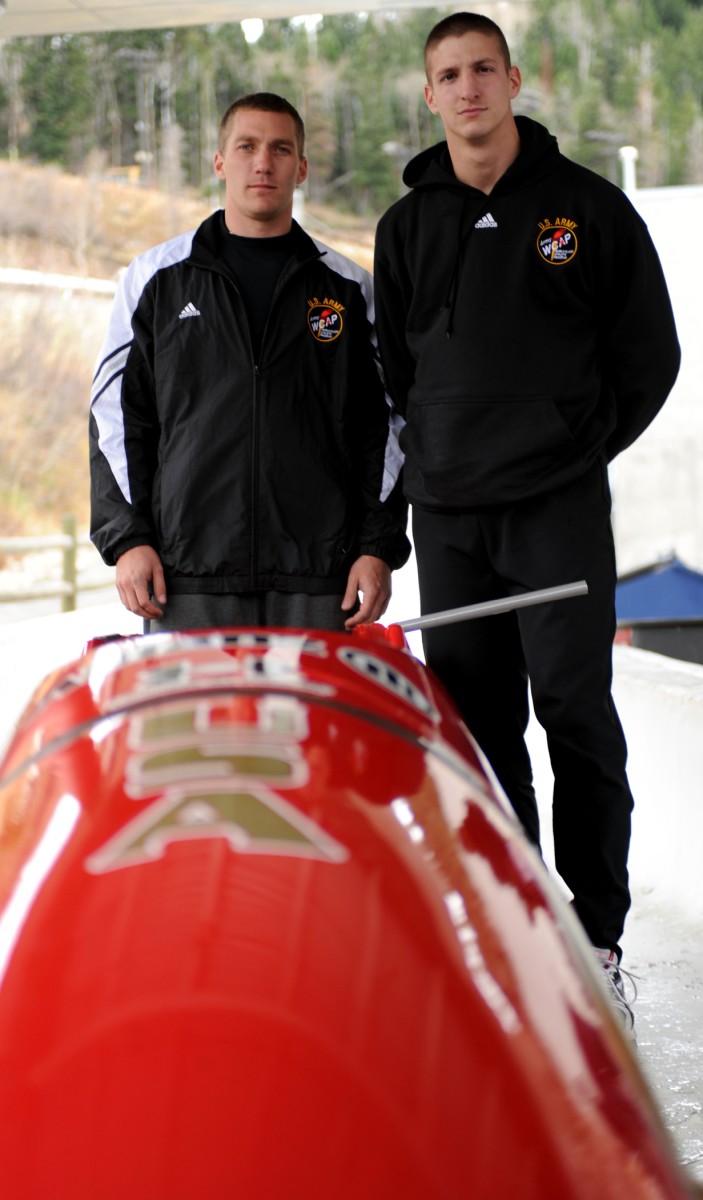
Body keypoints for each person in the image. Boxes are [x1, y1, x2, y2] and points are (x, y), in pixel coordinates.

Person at [373, 12, 680, 1034]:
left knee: (575, 712)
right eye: (446, 76)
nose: (466, 90)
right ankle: (512, 929)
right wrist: (438, 460)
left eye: (480, 71)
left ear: (513, 80)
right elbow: (392, 370)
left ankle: (595, 941)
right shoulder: (406, 225)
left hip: (554, 508)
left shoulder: (587, 210)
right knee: (478, 724)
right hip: (451, 518)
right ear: (429, 95)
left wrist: (571, 446)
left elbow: (650, 357)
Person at [90, 92, 409, 635]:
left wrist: (375, 547)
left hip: (317, 578)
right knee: (197, 725)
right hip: (187, 577)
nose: (263, 162)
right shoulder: (155, 280)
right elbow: (117, 416)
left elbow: (385, 426)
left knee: (312, 725)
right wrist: (129, 538)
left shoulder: (351, 291)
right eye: (247, 146)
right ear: (220, 161)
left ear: (301, 167)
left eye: (281, 149)